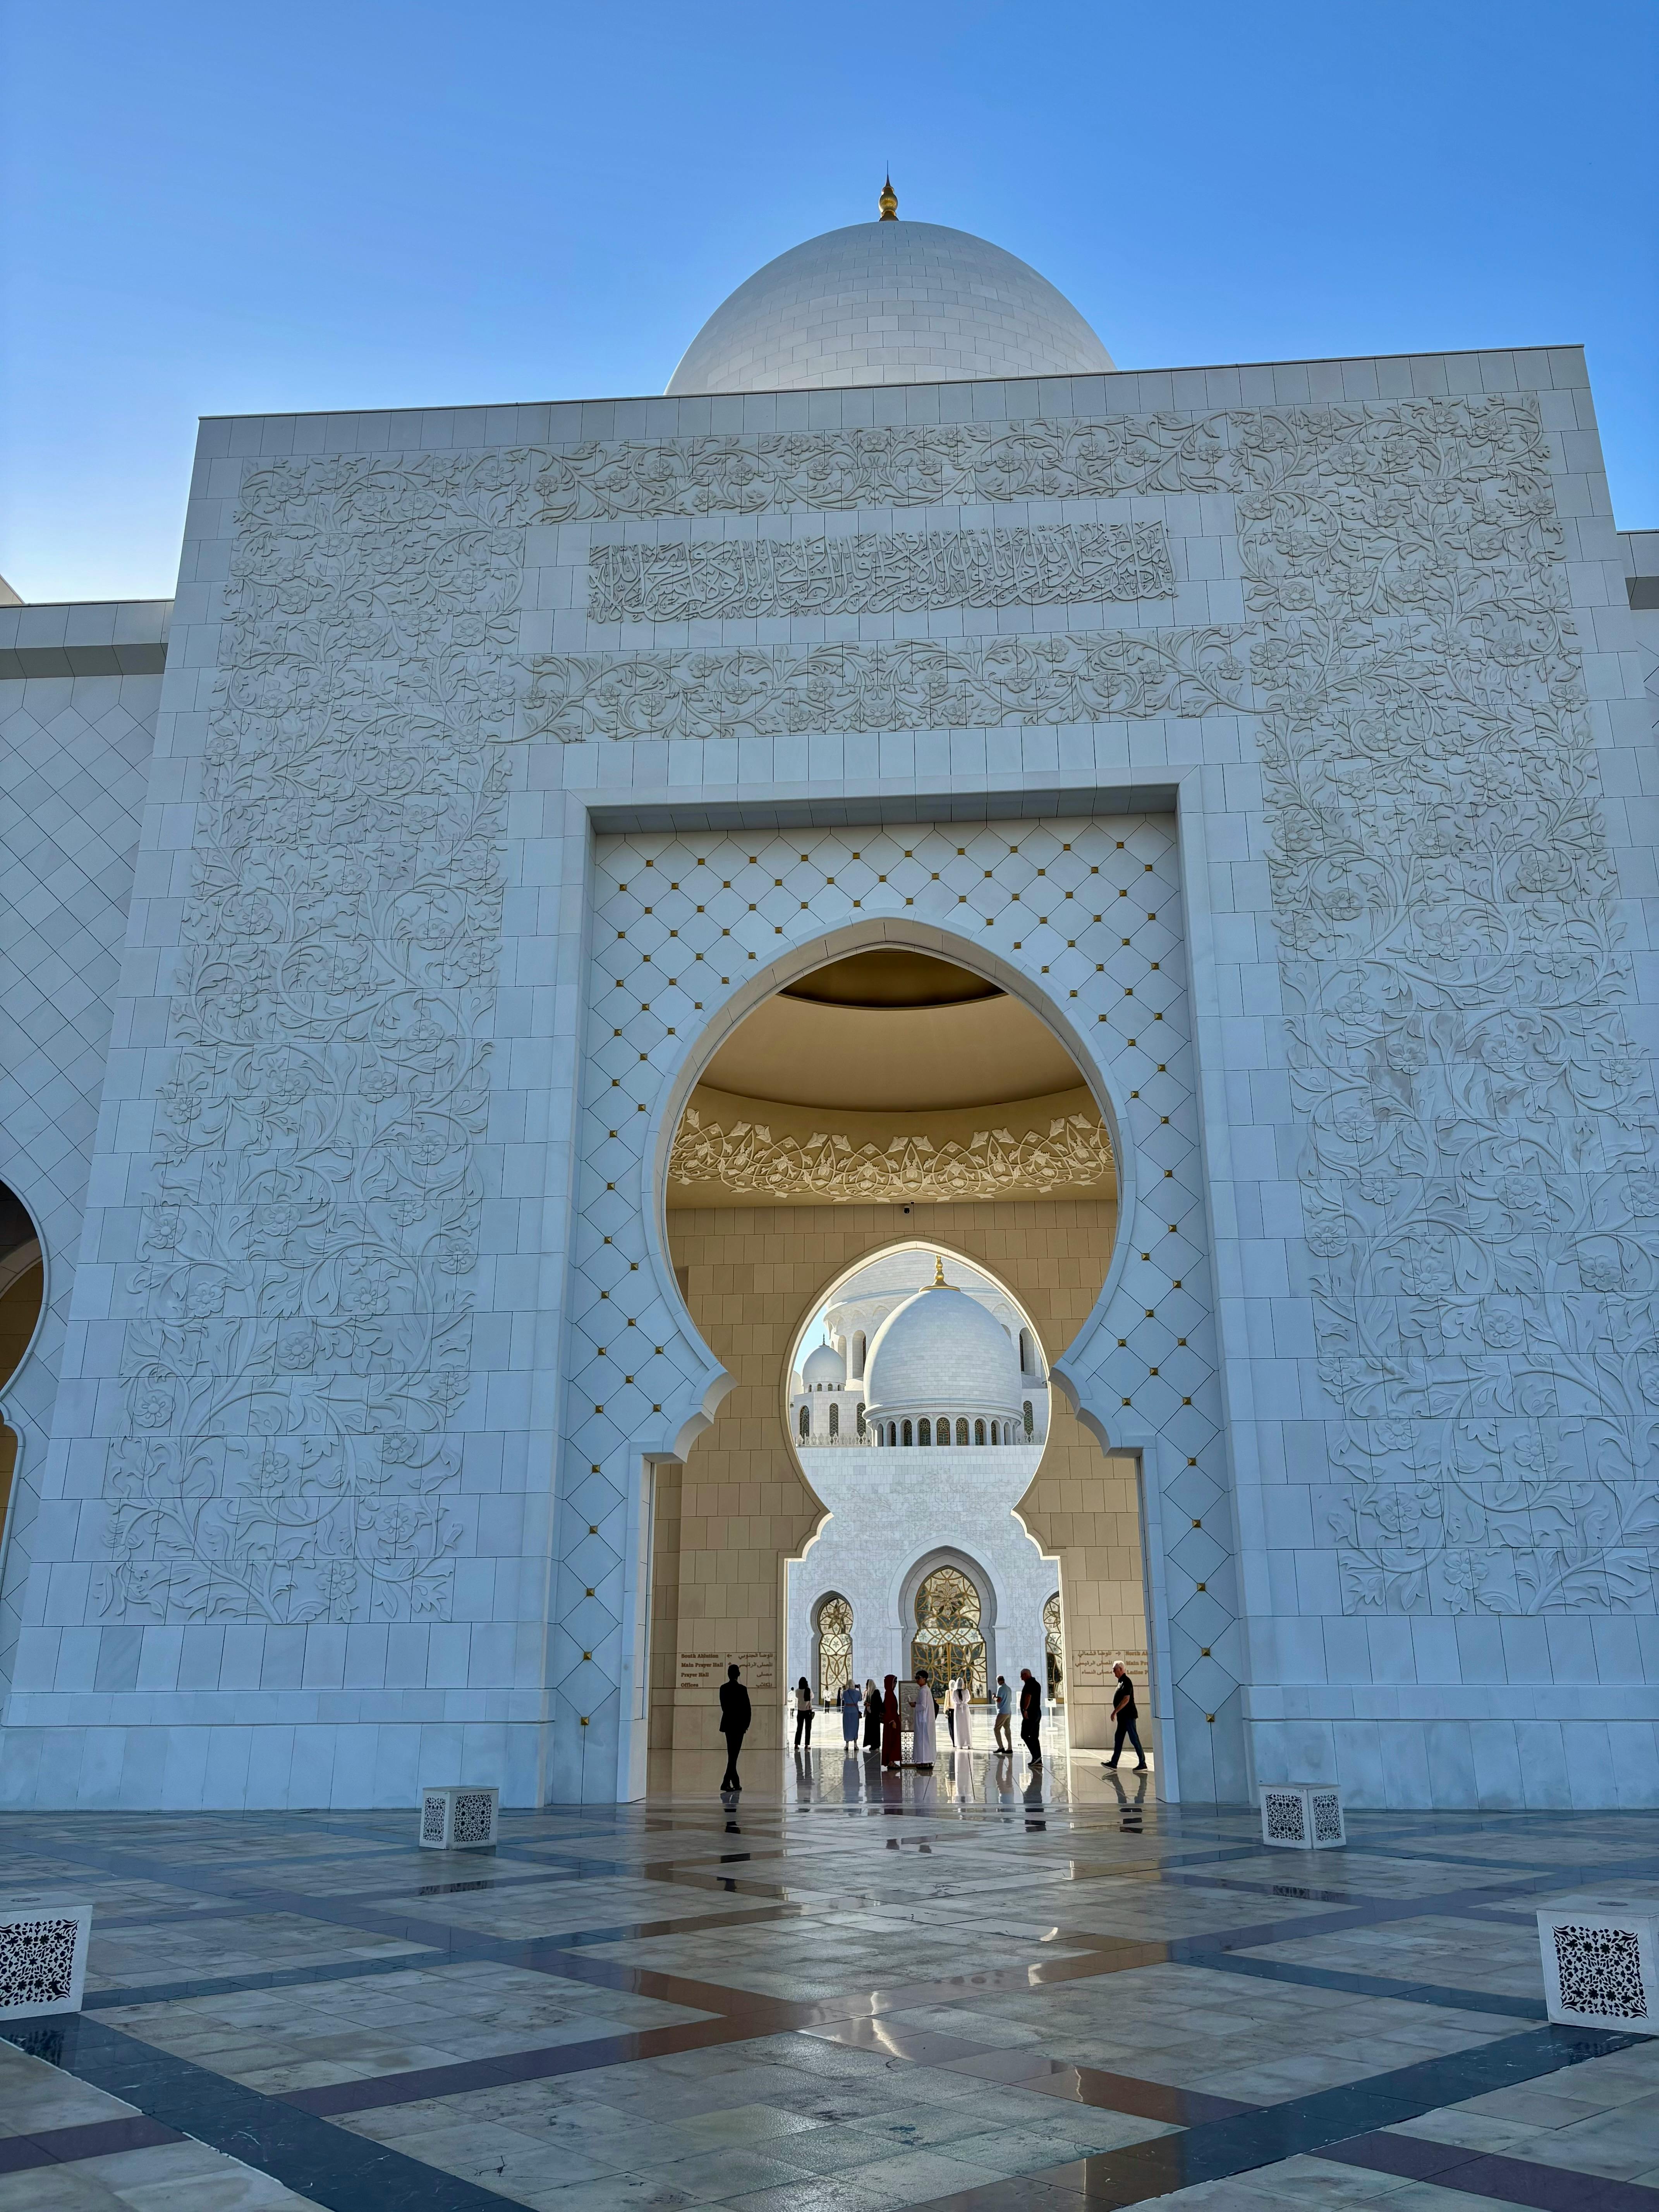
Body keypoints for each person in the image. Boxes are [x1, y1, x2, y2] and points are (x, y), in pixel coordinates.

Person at [1105, 1661, 1147, 1771]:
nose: (1113, 1672)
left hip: (1128, 1716)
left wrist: (1115, 1711)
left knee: (1134, 1739)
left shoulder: (1127, 1681)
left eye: (1115, 1669)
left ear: (1120, 1669)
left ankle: (1143, 1763)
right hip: (1123, 1718)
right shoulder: (1121, 1682)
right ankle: (1114, 1763)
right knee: (1118, 1738)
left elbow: (1126, 1699)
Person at [718, 1663, 750, 1791]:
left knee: (732, 1754)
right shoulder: (742, 1689)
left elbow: (724, 1707)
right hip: (739, 1726)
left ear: (728, 1674)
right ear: (739, 1675)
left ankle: (736, 1783)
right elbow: (748, 1709)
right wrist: (746, 1725)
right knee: (734, 1755)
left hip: (728, 1724)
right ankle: (726, 1783)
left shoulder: (723, 1688)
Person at [912, 1668, 937, 1769]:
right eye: (916, 1678)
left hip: (923, 1721)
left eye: (919, 1678)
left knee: (923, 1741)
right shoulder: (926, 1689)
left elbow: (922, 1706)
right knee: (927, 1741)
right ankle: (927, 1761)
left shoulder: (923, 1691)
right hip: (926, 1720)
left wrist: (914, 1705)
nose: (917, 1680)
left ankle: (924, 1761)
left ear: (924, 1679)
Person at [1018, 1665, 1042, 1766]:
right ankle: (1038, 1758)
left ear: (1026, 1675)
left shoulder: (1030, 1684)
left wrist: (1025, 1710)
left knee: (1025, 1735)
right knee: (1034, 1736)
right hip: (1037, 1713)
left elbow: (1028, 1696)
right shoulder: (1036, 1684)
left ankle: (1036, 1756)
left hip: (1031, 1714)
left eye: (1022, 1676)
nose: (1021, 1678)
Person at [881, 1673, 901, 1769]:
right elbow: (888, 1709)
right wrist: (893, 1721)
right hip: (891, 1723)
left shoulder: (890, 1693)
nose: (895, 1684)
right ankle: (890, 1761)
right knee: (891, 1741)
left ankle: (891, 1761)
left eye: (896, 1682)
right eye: (894, 1682)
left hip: (894, 1720)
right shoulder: (889, 1693)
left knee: (893, 1741)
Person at [950, 1673, 972, 1752]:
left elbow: (953, 1700)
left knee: (958, 1726)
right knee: (967, 1726)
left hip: (958, 1709)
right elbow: (968, 1699)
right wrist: (964, 1702)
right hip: (965, 1708)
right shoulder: (966, 1691)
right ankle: (968, 1744)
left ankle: (960, 1744)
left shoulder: (955, 1692)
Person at [994, 1674, 1013, 1753]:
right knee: (1007, 1729)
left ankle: (1001, 1747)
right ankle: (1010, 1748)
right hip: (1009, 1711)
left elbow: (999, 1700)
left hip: (1002, 1712)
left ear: (998, 1681)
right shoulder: (1009, 1689)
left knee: (996, 1729)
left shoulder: (1001, 1688)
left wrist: (994, 1697)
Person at [793, 1676, 814, 1750]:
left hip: (800, 1711)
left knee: (799, 1728)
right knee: (808, 1729)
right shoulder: (809, 1690)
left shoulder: (797, 1691)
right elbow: (812, 1697)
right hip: (808, 1711)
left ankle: (796, 1744)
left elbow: (797, 1696)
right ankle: (806, 1745)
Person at [839, 1678, 862, 1747]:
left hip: (847, 1711)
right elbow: (861, 1699)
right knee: (855, 1727)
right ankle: (855, 1744)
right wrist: (860, 1689)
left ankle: (847, 1744)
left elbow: (842, 1698)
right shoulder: (857, 1693)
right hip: (855, 1711)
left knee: (847, 1727)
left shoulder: (845, 1692)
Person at [862, 1677, 882, 1752]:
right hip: (869, 1716)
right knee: (870, 1730)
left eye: (867, 1685)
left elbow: (878, 1704)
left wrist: (870, 1705)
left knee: (875, 1731)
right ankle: (871, 1744)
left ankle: (876, 1745)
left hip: (875, 1715)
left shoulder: (876, 1692)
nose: (866, 1686)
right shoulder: (869, 1693)